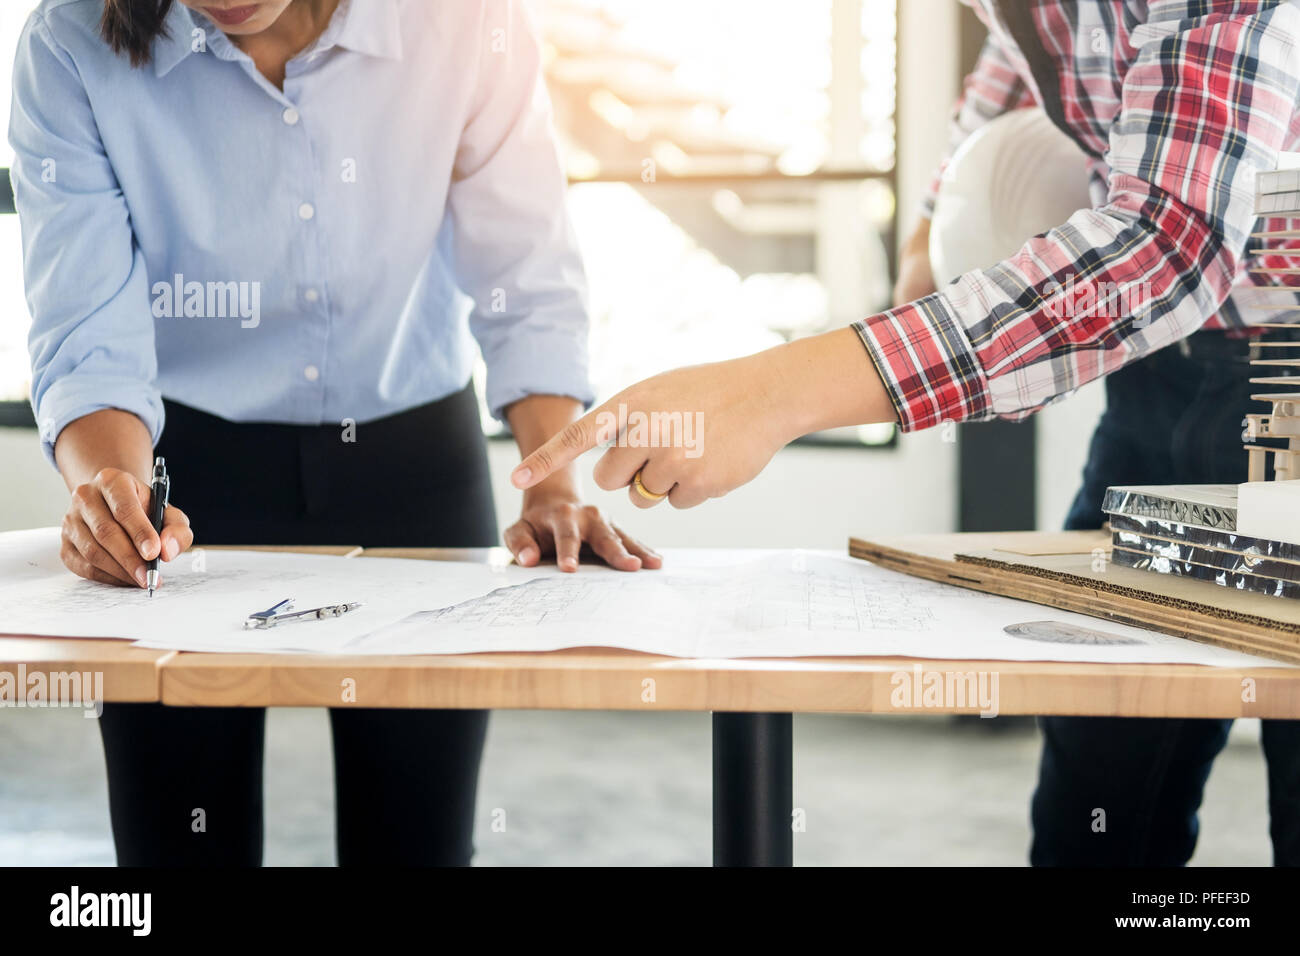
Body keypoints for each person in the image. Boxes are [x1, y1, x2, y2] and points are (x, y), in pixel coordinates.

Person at [513, 0, 1300, 865]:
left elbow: (1168, 242)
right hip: (1166, 379)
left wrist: (777, 393)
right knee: (1100, 792)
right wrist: (933, 236)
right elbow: (1022, 67)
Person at [13, 0, 658, 866]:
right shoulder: (69, 45)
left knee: (416, 846)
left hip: (414, 473)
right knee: (179, 851)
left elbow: (525, 275)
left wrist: (552, 485)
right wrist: (112, 493)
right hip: (182, 485)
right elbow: (88, 333)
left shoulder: (463, 21)